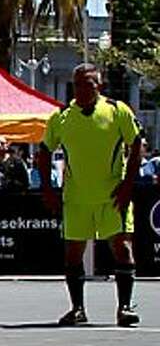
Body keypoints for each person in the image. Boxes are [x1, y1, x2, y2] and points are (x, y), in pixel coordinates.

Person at [37, 62, 144, 327]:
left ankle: (125, 307)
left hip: (113, 196)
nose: (82, 90)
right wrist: (48, 189)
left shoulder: (117, 110)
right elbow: (45, 151)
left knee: (123, 248)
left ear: (100, 86)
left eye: (88, 84)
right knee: (73, 254)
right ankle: (77, 309)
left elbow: (136, 143)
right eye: (77, 85)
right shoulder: (61, 117)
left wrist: (128, 184)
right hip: (76, 198)